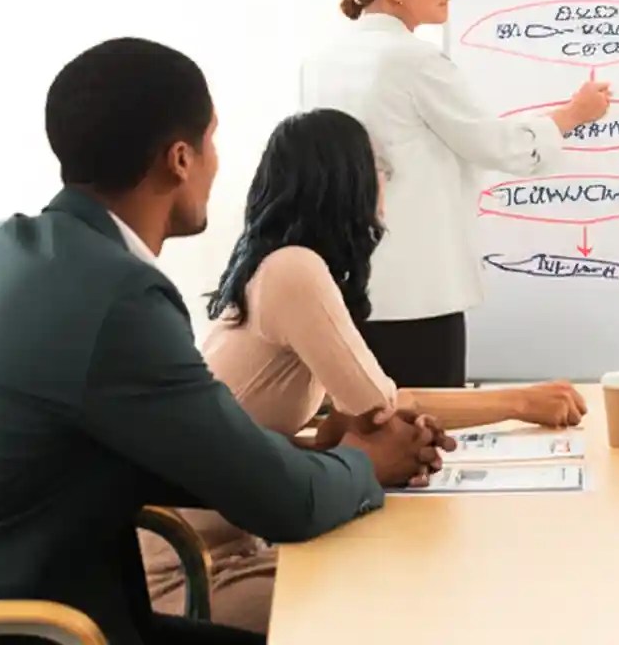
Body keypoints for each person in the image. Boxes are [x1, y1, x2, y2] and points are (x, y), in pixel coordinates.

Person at [0, 38, 455, 645]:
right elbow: (283, 504)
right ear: (179, 159)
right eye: (213, 140)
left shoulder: (16, 250)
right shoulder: (118, 296)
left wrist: (321, 458)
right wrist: (364, 464)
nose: (217, 163)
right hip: (57, 630)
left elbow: (202, 458)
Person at [140, 108, 589, 632]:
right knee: (407, 598)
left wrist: (352, 434)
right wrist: (519, 402)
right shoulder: (293, 269)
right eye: (378, 165)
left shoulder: (278, 266)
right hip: (195, 573)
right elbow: (382, 409)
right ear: (345, 179)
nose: (385, 181)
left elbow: (355, 416)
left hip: (241, 546)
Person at [298, 0, 612, 388]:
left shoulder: (320, 62)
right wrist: (571, 115)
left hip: (346, 289)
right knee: (426, 436)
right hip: (419, 298)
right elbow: (496, 144)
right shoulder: (412, 61)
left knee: (369, 434)